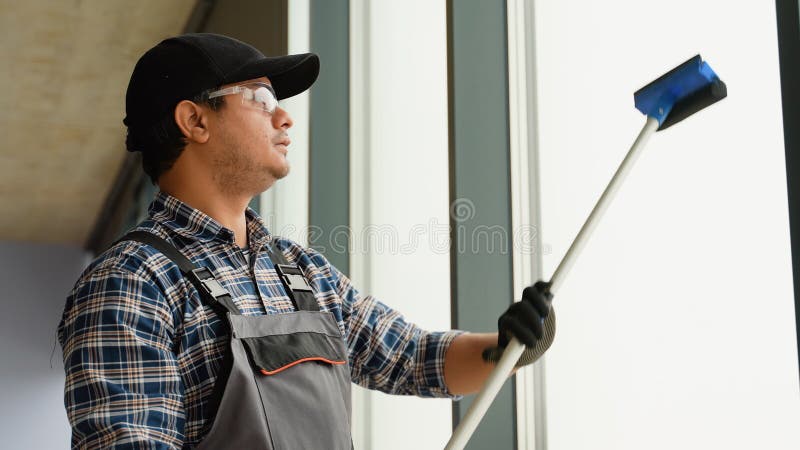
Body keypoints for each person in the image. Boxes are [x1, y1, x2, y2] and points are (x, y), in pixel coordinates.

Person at [58, 33, 556, 449]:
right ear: (195, 121)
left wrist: (511, 346)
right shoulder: (132, 282)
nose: (285, 118)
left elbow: (412, 359)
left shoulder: (300, 270)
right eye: (261, 99)